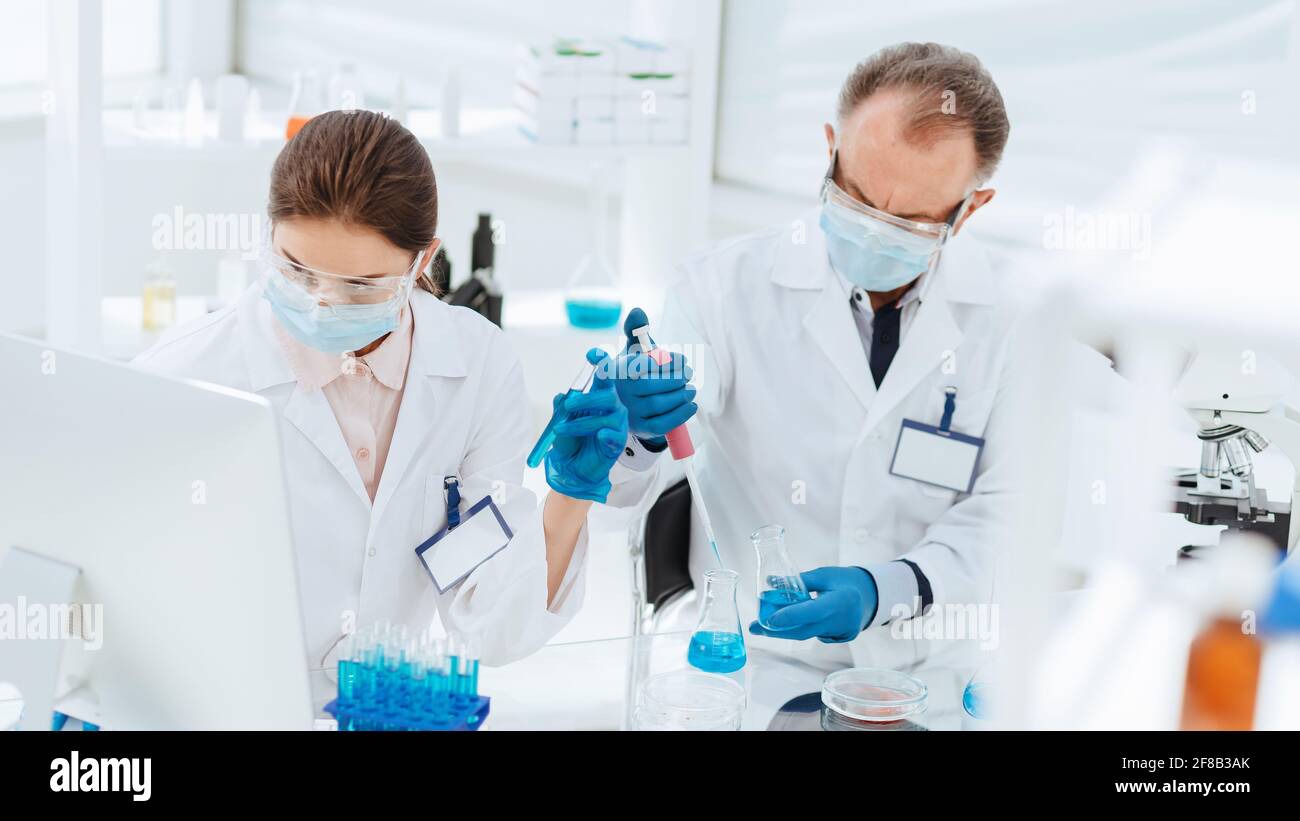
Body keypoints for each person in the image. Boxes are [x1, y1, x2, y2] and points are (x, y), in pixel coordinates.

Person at [134, 110, 627, 667]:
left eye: (361, 286)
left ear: (423, 261)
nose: (321, 302)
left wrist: (570, 498)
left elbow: (488, 624)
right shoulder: (183, 374)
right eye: (296, 271)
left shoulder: (477, 367)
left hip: (383, 707)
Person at [609, 43, 1020, 669]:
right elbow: (633, 471)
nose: (875, 227)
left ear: (969, 212)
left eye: (909, 220)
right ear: (831, 147)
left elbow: (1009, 511)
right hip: (758, 660)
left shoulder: (1011, 321)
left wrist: (890, 588)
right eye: (855, 196)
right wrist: (641, 422)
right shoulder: (721, 288)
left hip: (928, 663)